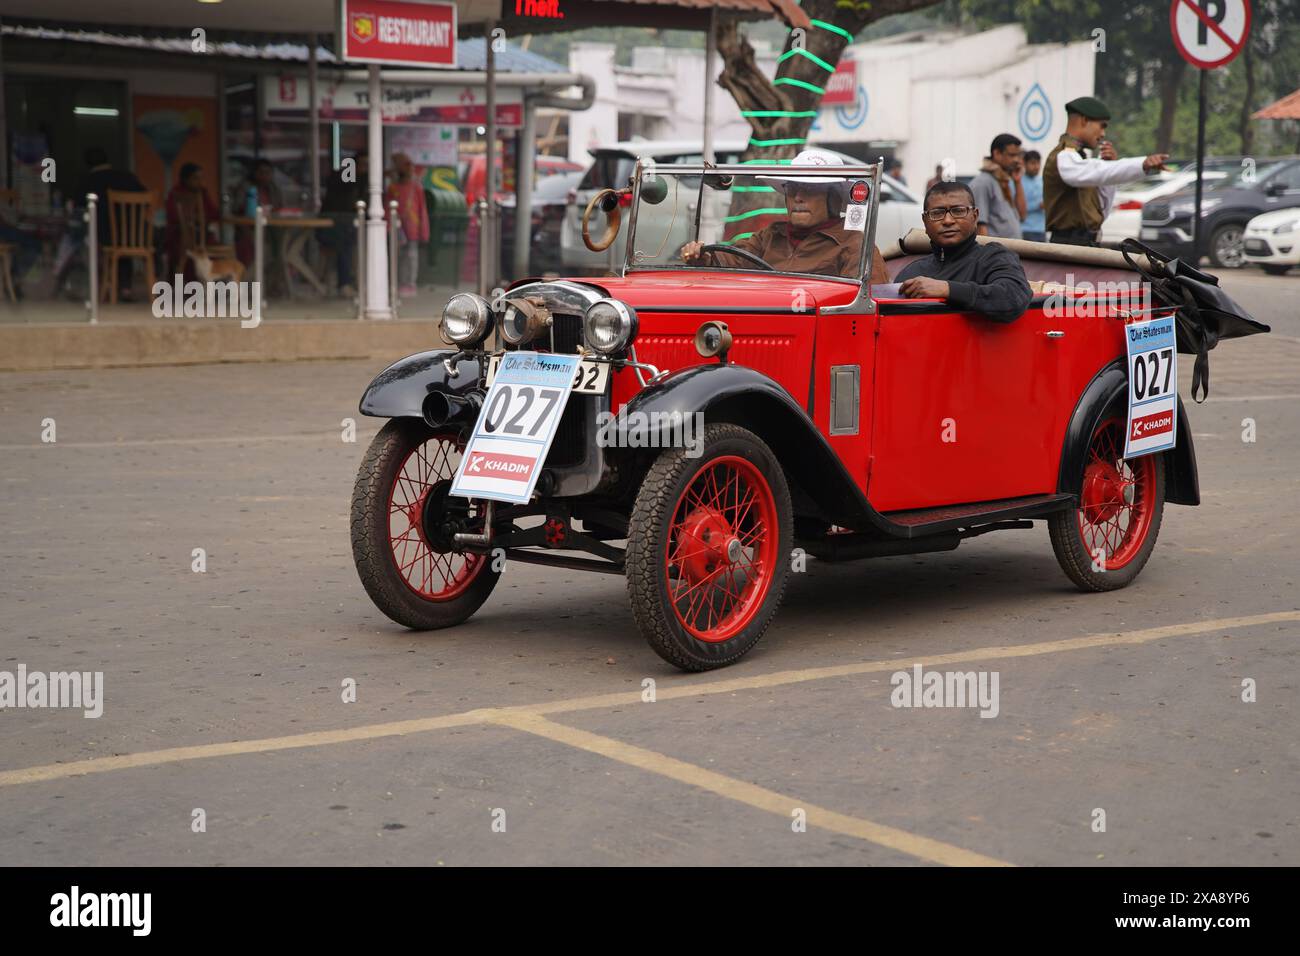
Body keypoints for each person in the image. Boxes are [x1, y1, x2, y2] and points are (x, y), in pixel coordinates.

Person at [680, 148, 888, 282]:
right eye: (793, 188)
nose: (798, 197)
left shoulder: (855, 246)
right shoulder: (770, 236)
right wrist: (705, 256)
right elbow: (733, 259)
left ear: (833, 198)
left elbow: (865, 310)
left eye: (809, 189)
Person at [894, 180, 1032, 324]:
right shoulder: (912, 273)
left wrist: (947, 289)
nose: (948, 221)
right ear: (925, 221)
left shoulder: (994, 258)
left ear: (975, 215)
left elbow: (1014, 297)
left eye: (958, 211)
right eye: (937, 213)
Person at [1044, 96, 1168, 246]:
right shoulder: (1064, 156)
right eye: (1101, 126)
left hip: (1085, 243)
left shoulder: (1079, 162)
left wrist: (1109, 167)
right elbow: (1098, 171)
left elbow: (1102, 211)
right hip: (1069, 244)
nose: (1103, 134)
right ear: (1084, 120)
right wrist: (1142, 164)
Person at [76, 147, 145, 298]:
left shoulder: (88, 182)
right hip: (136, 236)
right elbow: (145, 198)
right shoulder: (128, 177)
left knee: (88, 240)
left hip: (105, 236)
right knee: (124, 241)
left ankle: (97, 286)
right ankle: (125, 288)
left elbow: (79, 207)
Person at [320, 153, 368, 296]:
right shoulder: (345, 181)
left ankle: (351, 281)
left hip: (347, 228)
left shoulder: (362, 182)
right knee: (345, 245)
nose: (364, 169)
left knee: (349, 244)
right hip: (331, 228)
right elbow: (345, 205)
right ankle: (344, 282)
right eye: (362, 165)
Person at [164, 162, 222, 279]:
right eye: (195, 178)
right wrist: (193, 219)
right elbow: (174, 216)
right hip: (180, 236)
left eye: (201, 178)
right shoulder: (176, 193)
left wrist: (202, 219)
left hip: (201, 234)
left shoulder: (202, 192)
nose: (200, 182)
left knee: (213, 245)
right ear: (185, 179)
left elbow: (214, 213)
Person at [385, 152, 429, 297]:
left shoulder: (416, 187)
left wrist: (424, 230)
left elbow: (422, 209)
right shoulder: (393, 187)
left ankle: (409, 283)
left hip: (412, 226)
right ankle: (399, 282)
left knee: (410, 255)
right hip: (397, 226)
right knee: (397, 255)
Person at [969, 133, 1026, 240]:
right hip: (995, 254)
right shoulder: (983, 183)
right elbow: (980, 227)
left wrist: (1017, 182)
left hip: (1011, 253)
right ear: (997, 153)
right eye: (1012, 155)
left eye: (1018, 156)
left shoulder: (1006, 181)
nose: (1017, 160)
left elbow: (1022, 215)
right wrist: (987, 255)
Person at [234, 159, 283, 266]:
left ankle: (277, 275)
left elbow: (279, 207)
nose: (264, 176)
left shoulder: (273, 188)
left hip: (271, 227)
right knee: (248, 244)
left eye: (268, 173)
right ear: (254, 173)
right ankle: (249, 277)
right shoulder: (246, 187)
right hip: (249, 227)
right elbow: (238, 207)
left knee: (282, 243)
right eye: (261, 172)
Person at [1020, 150, 1046, 243]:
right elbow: (1016, 208)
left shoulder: (1042, 181)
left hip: (1041, 230)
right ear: (1024, 164)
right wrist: (1038, 205)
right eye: (1032, 163)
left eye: (1038, 163)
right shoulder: (1018, 182)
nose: (1036, 167)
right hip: (1025, 230)